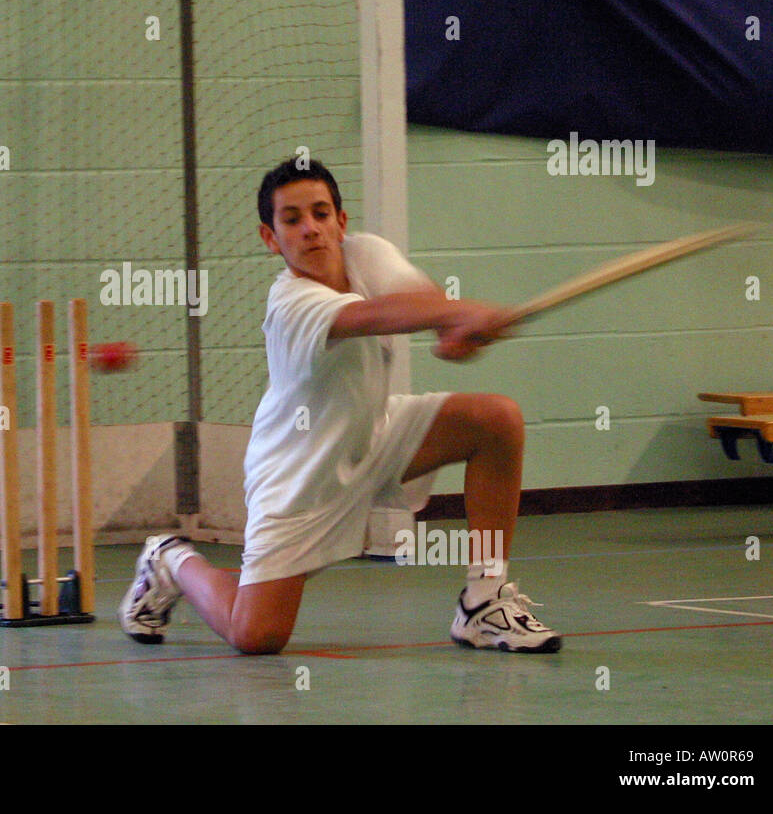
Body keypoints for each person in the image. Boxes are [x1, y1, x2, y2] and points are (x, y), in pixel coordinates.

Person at [119, 157, 560, 654]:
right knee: (256, 635)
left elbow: (419, 301)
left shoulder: (368, 254)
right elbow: (371, 315)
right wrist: (458, 312)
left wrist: (456, 328)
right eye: (292, 219)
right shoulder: (289, 304)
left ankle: (484, 600)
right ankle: (170, 559)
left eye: (321, 213)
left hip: (374, 436)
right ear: (271, 238)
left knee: (496, 420)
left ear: (341, 221)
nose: (310, 228)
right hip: (299, 478)